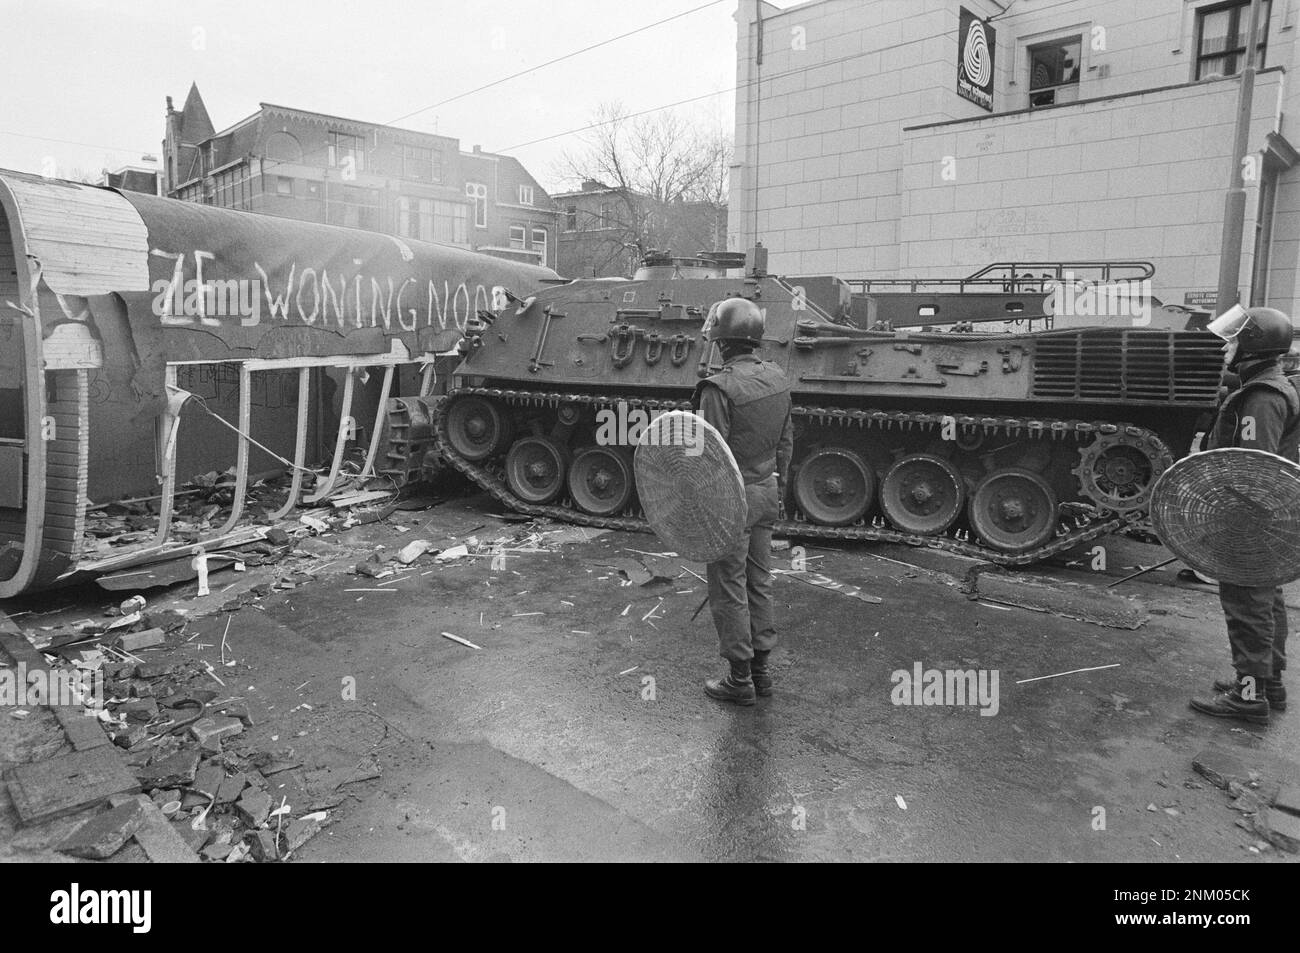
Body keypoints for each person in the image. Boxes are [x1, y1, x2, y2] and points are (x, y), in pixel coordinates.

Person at [1189, 306, 1299, 725]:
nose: (1226, 347)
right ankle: (1268, 684)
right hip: (1267, 514)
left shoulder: (1261, 398)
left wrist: (1224, 509)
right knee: (1265, 598)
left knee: (1246, 601)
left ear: (1252, 346)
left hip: (1251, 515)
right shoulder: (1268, 386)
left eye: (1233, 340)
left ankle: (1249, 696)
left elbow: (1253, 467)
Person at [692, 297, 794, 706]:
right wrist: (779, 490)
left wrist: (702, 510)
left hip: (732, 500)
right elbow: (786, 443)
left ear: (720, 341)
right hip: (765, 491)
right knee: (759, 582)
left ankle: (738, 680)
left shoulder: (719, 389)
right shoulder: (778, 378)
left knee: (728, 587)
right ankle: (761, 673)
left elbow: (710, 457)